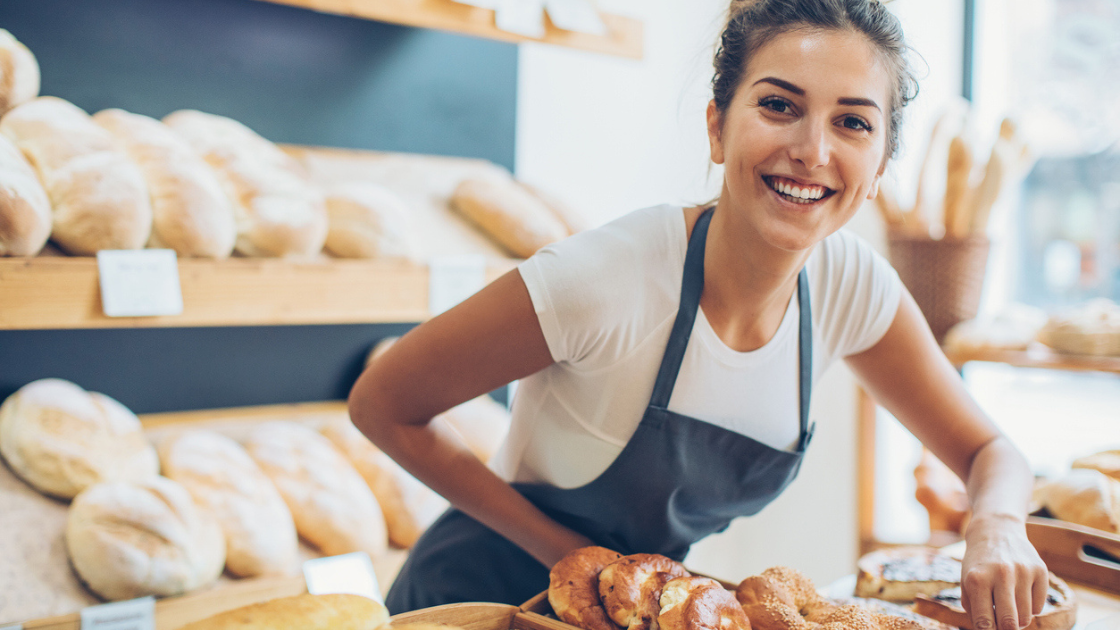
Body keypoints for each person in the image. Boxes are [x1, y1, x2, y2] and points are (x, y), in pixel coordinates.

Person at [349, 1, 1048, 629]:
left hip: (638, 611)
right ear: (718, 128)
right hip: (478, 605)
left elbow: (992, 455)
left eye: (853, 122)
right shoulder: (607, 275)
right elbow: (382, 403)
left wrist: (997, 527)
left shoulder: (852, 287)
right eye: (779, 106)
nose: (812, 149)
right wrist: (579, 560)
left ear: (877, 169)